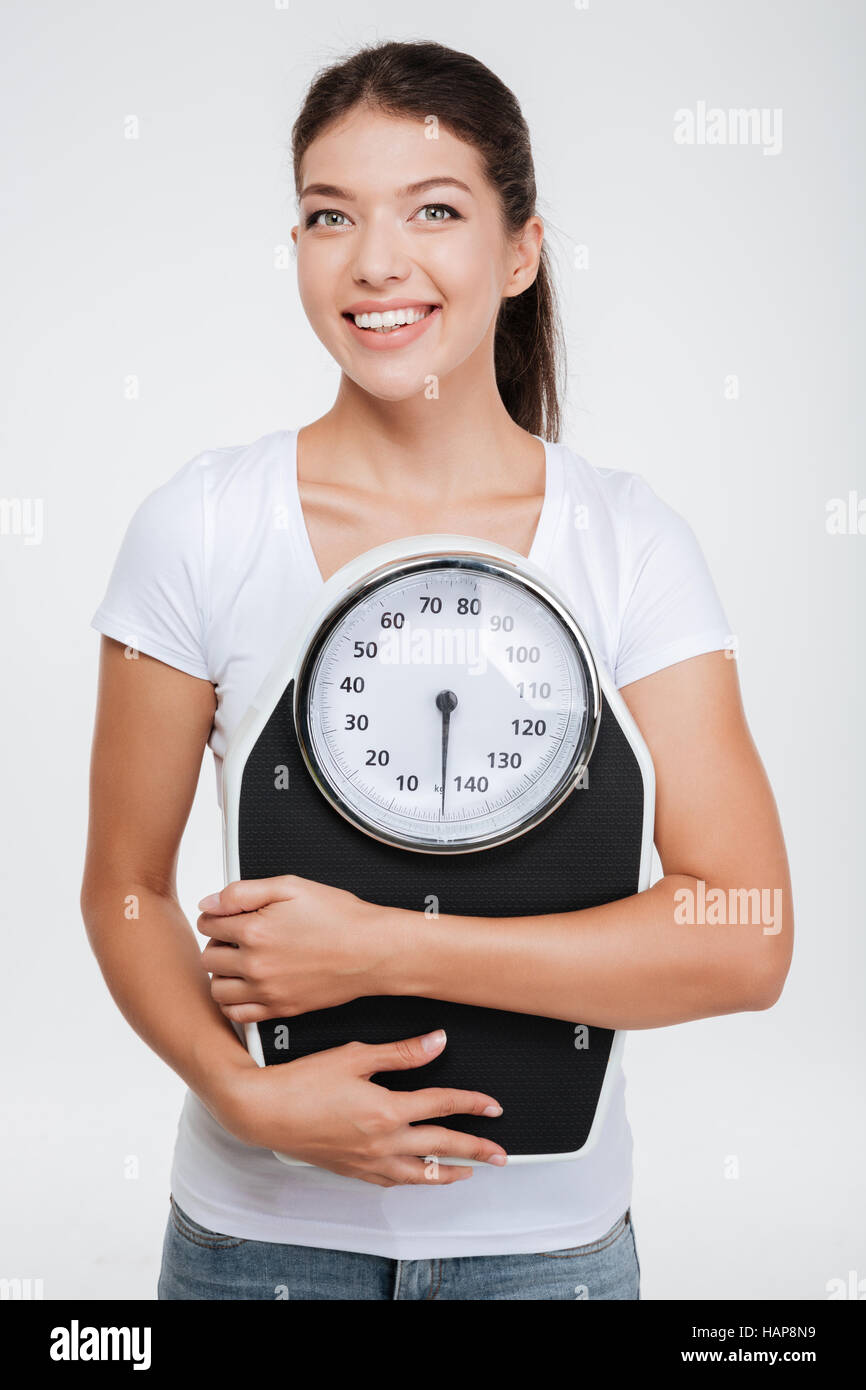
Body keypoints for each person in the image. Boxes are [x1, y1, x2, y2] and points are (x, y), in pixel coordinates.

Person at [81, 38, 793, 1301]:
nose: (373, 261)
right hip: (259, 1242)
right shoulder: (201, 526)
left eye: (434, 211)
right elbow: (125, 892)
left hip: (544, 1255)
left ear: (518, 250)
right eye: (327, 214)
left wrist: (375, 948)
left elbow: (743, 937)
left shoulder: (626, 541)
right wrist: (249, 1096)